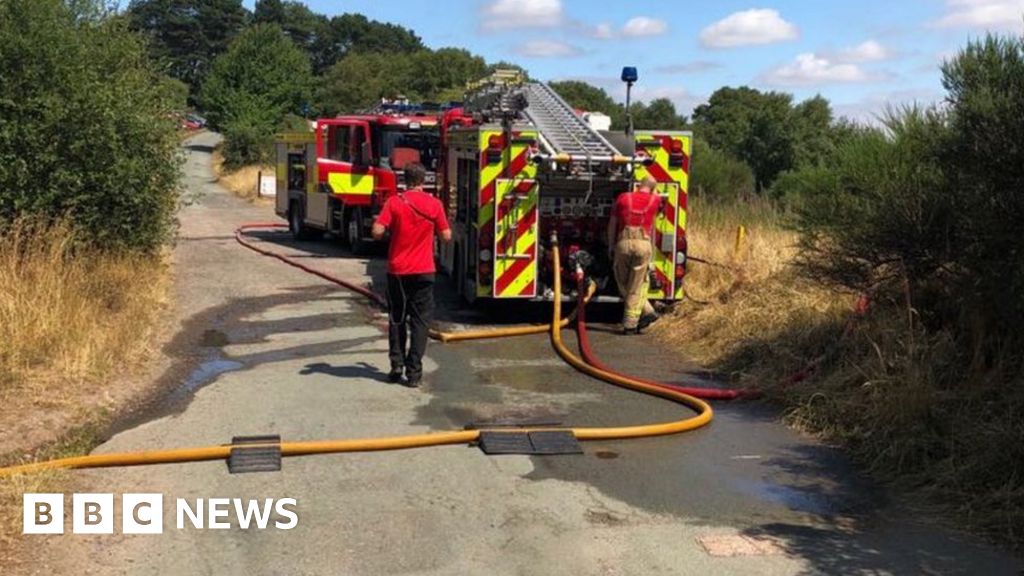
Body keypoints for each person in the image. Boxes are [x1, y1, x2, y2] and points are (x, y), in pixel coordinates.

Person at [371, 163, 451, 387]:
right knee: (420, 321)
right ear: (423, 180)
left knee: (397, 317)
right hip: (424, 270)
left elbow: (377, 231)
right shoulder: (434, 204)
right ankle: (414, 373)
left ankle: (396, 365)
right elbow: (446, 236)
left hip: (398, 270)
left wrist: (386, 231)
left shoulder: (394, 202)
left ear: (404, 180)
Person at [607, 176, 662, 335]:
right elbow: (658, 199)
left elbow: (612, 224)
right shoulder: (655, 199)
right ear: (652, 188)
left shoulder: (623, 198)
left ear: (638, 185)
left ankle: (630, 323)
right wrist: (654, 190)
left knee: (622, 282)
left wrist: (611, 245)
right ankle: (647, 311)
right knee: (636, 284)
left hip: (623, 243)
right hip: (643, 244)